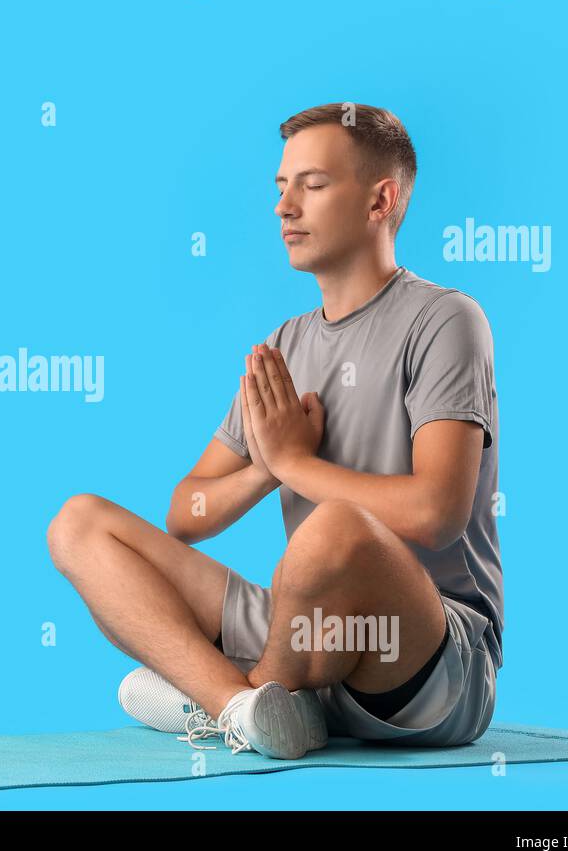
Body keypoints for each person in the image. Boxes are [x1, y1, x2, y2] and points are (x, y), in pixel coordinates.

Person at [46, 102, 501, 759]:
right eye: (280, 187)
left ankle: (225, 694)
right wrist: (265, 466)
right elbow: (187, 512)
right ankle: (245, 708)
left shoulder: (446, 321)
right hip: (309, 633)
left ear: (381, 201)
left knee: (332, 528)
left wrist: (295, 466)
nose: (285, 206)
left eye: (312, 185)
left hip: (426, 659)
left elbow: (437, 513)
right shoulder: (285, 347)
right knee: (78, 522)